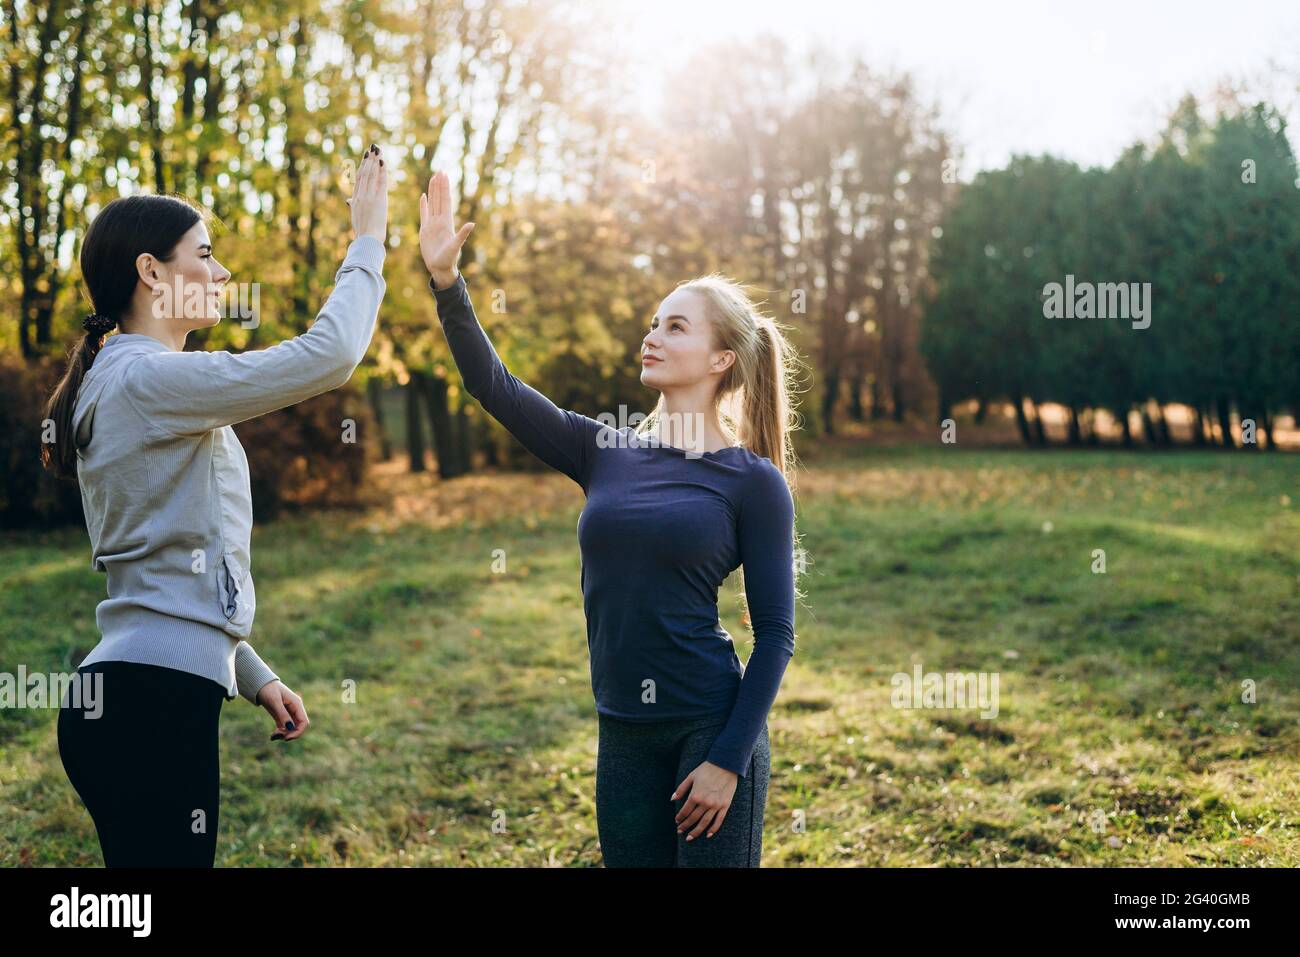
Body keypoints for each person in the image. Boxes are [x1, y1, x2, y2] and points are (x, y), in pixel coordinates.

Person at [418, 170, 800, 867]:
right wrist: (448, 284)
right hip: (622, 731)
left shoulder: (754, 483)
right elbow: (492, 385)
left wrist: (727, 761)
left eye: (675, 326)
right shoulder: (603, 449)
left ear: (721, 358)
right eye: (653, 323)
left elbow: (775, 636)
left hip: (709, 727)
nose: (651, 336)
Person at [43, 144, 390, 867]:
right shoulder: (147, 378)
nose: (222, 272)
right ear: (151, 272)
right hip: (151, 707)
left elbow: (164, 568)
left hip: (131, 695)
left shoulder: (126, 379)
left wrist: (249, 669)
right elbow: (328, 356)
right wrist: (367, 241)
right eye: (204, 253)